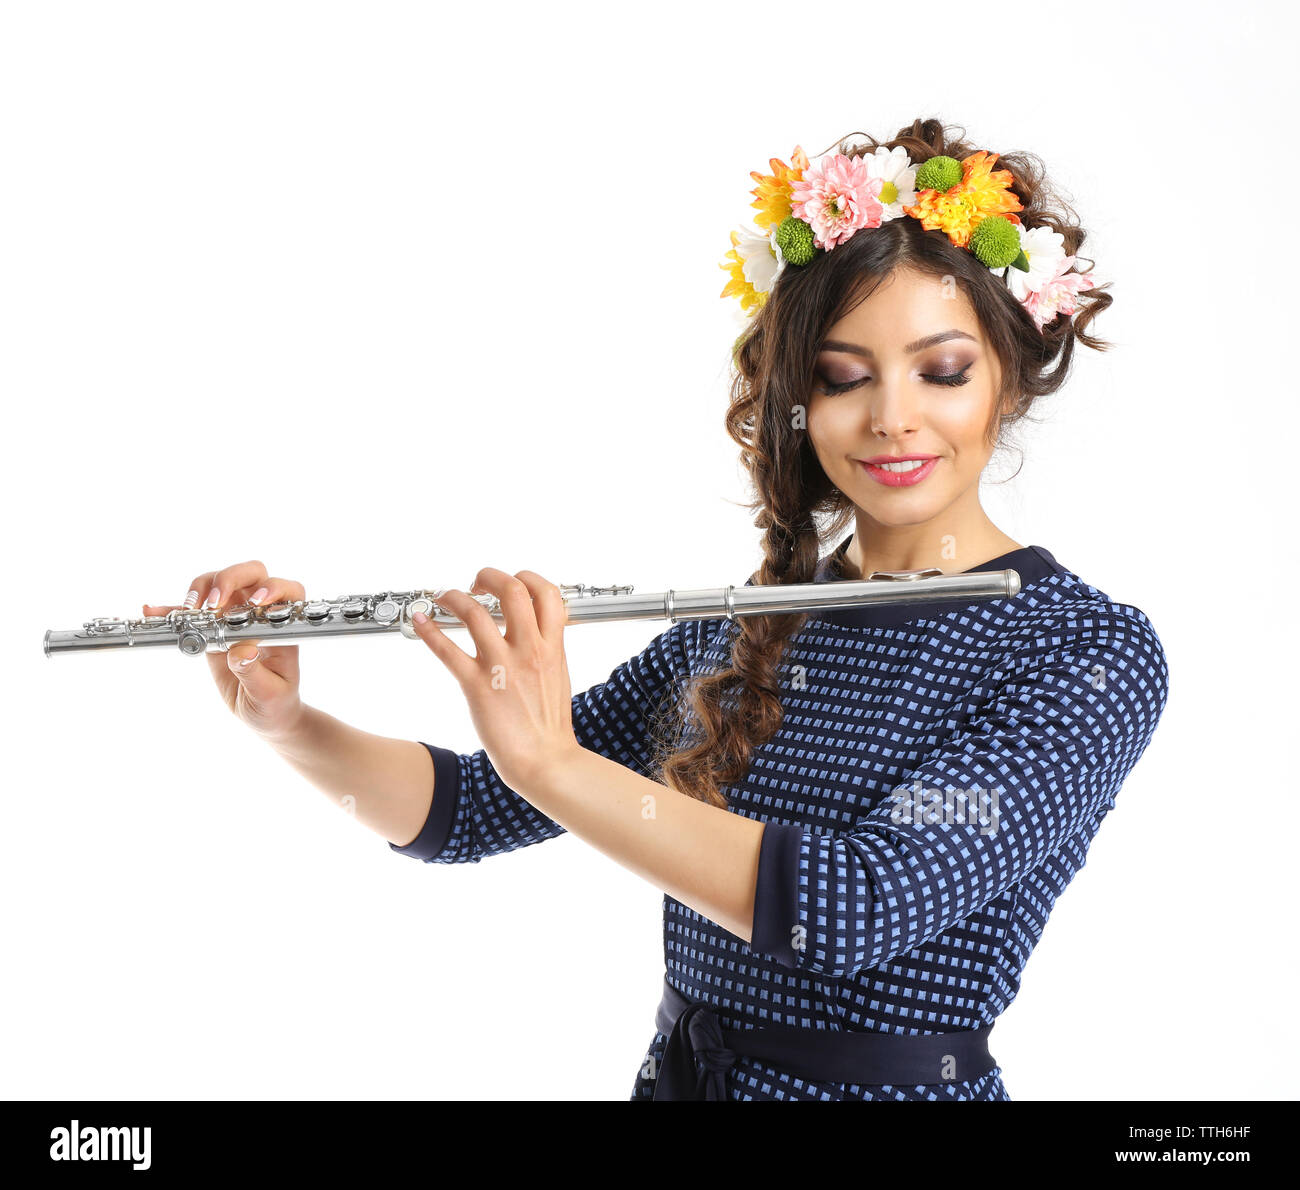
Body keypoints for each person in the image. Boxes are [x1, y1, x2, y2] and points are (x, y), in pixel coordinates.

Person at [143, 117, 1169, 1101]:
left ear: (1010, 379)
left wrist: (552, 760)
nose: (891, 415)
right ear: (797, 401)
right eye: (842, 377)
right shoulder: (744, 631)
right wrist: (286, 721)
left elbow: (855, 902)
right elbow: (463, 810)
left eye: (941, 370)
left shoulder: (1085, 652)